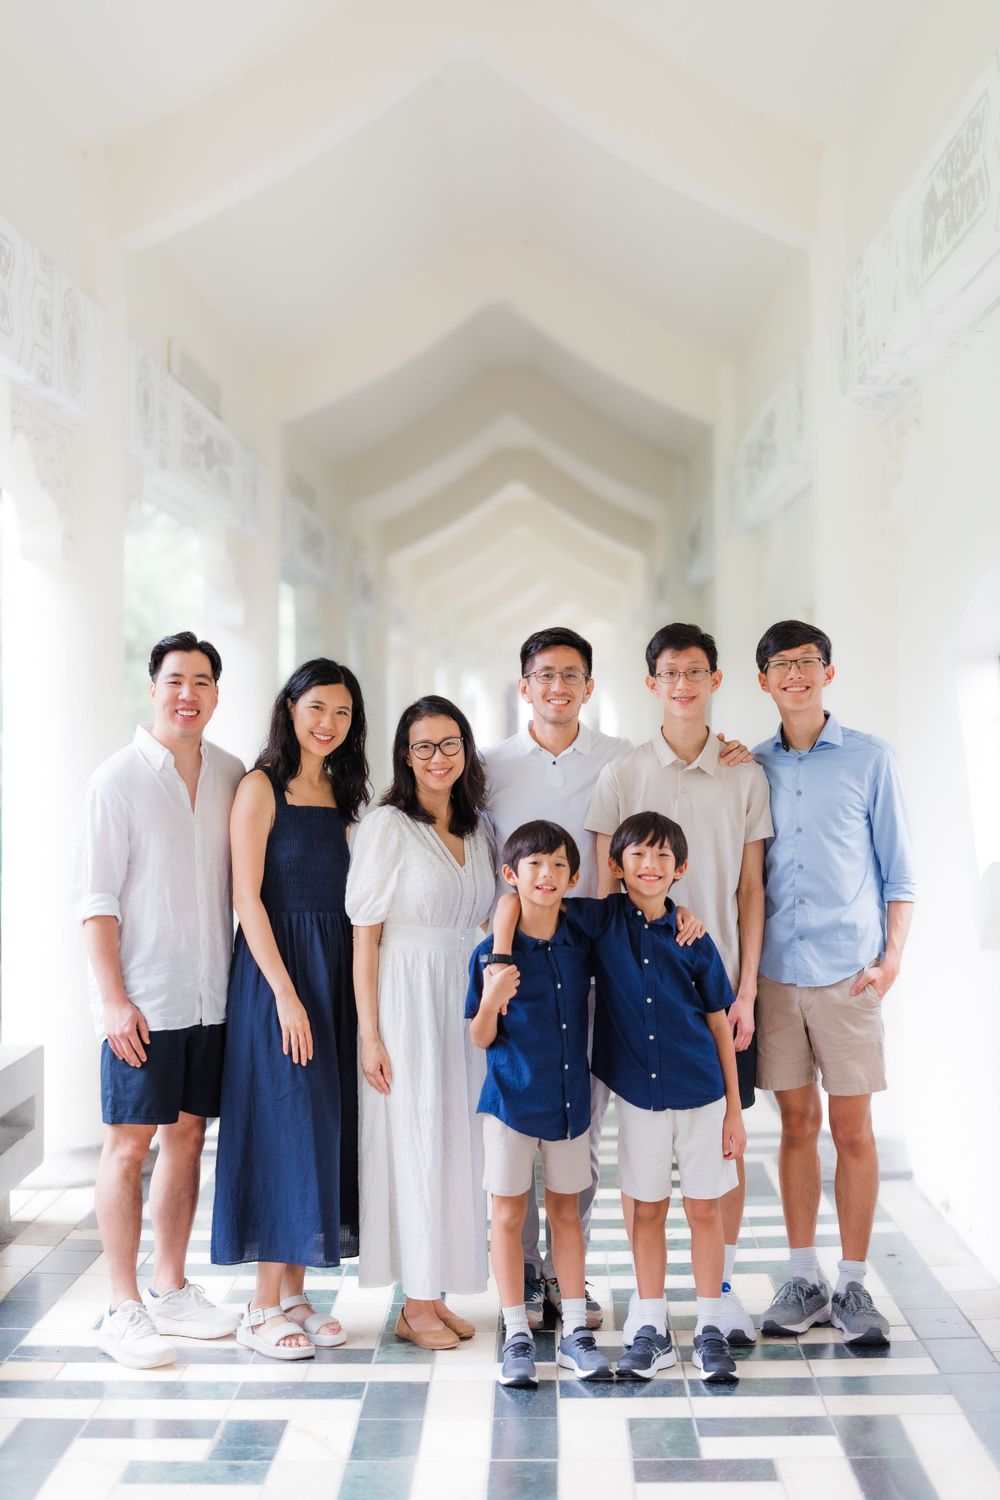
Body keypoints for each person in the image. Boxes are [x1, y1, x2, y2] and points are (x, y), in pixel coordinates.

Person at [493, 811, 746, 1383]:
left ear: (680, 868)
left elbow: (719, 1025)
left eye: (662, 858)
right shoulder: (598, 920)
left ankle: (708, 1327)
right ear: (616, 866)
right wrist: (502, 952)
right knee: (647, 1210)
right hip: (638, 1097)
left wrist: (734, 1108)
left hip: (703, 1094)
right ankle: (651, 1328)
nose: (650, 866)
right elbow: (519, 898)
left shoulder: (694, 939)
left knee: (703, 1209)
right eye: (637, 855)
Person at [586, 622, 771, 1346]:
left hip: (719, 994)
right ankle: (652, 1309)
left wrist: (747, 988)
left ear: (716, 680)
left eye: (697, 672)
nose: (684, 685)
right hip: (643, 1000)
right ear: (653, 683)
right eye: (670, 673)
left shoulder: (744, 771)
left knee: (723, 1153)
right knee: (644, 1172)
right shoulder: (625, 775)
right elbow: (607, 886)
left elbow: (753, 889)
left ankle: (719, 1294)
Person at [75, 631, 244, 1369]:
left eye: (202, 681)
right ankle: (122, 1305)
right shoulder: (115, 780)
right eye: (175, 680)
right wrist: (112, 1000)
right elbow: (96, 901)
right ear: (153, 688)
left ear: (216, 693)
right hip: (142, 1001)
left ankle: (171, 1289)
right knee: (127, 1145)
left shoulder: (233, 774)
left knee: (187, 1137)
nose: (188, 693)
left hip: (211, 997)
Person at [753, 620, 916, 1346]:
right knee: (794, 1127)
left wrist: (891, 962)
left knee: (852, 1130)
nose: (796, 674)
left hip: (849, 979)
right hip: (778, 978)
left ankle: (853, 1283)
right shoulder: (749, 767)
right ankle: (803, 1277)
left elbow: (900, 874)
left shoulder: (869, 760)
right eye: (782, 665)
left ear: (828, 672)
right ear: (762, 681)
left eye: (808, 662)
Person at [211, 659, 370, 1360]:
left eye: (341, 713)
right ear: (291, 708)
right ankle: (259, 1307)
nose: (328, 723)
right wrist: (283, 991)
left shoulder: (344, 790)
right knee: (284, 1124)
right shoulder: (259, 786)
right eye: (317, 708)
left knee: (323, 1126)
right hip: (278, 974)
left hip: (333, 968)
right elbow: (246, 896)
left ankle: (297, 1295)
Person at [482, 627, 631, 1330]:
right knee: (518, 1114)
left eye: (571, 676)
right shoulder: (490, 766)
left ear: (589, 687)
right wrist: (497, 957)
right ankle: (529, 1272)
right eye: (544, 676)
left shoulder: (619, 760)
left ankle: (568, 1273)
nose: (558, 687)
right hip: (517, 957)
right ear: (524, 686)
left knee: (583, 1120)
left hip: (590, 957)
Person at [345, 695, 496, 1348]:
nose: (438, 758)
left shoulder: (478, 826)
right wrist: (369, 1032)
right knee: (414, 1141)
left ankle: (439, 1288)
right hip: (406, 997)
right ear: (405, 757)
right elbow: (364, 936)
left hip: (462, 999)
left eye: (450, 744)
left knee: (458, 1145)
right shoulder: (387, 824)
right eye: (423, 747)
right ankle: (415, 1305)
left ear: (466, 749)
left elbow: (488, 916)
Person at [467, 821, 613, 1387]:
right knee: (506, 1214)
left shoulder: (583, 943)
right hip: (508, 1101)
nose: (546, 875)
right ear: (512, 875)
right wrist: (493, 996)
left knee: (566, 1212)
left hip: (571, 1103)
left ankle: (575, 1330)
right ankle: (517, 1335)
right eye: (533, 866)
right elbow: (480, 1037)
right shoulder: (490, 955)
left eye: (557, 866)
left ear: (573, 878)